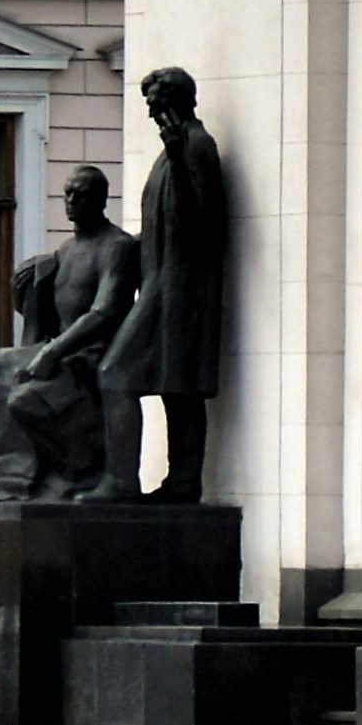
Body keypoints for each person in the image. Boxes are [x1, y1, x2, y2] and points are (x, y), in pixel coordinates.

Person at [96, 64, 232, 504]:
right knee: (177, 387)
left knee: (128, 375)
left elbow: (207, 223)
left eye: (158, 107)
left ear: (178, 103)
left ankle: (138, 481)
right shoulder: (171, 152)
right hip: (160, 283)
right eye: (152, 110)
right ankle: (181, 480)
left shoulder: (195, 147)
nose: (155, 117)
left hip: (181, 290)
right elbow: (160, 226)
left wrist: (176, 154)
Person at [0, 166, 135, 505]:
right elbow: (45, 309)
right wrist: (29, 284)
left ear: (101, 199)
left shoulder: (116, 246)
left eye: (80, 194)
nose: (71, 201)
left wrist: (52, 353)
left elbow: (104, 312)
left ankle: (73, 472)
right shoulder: (66, 249)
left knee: (22, 399)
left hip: (90, 356)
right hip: (56, 348)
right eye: (67, 193)